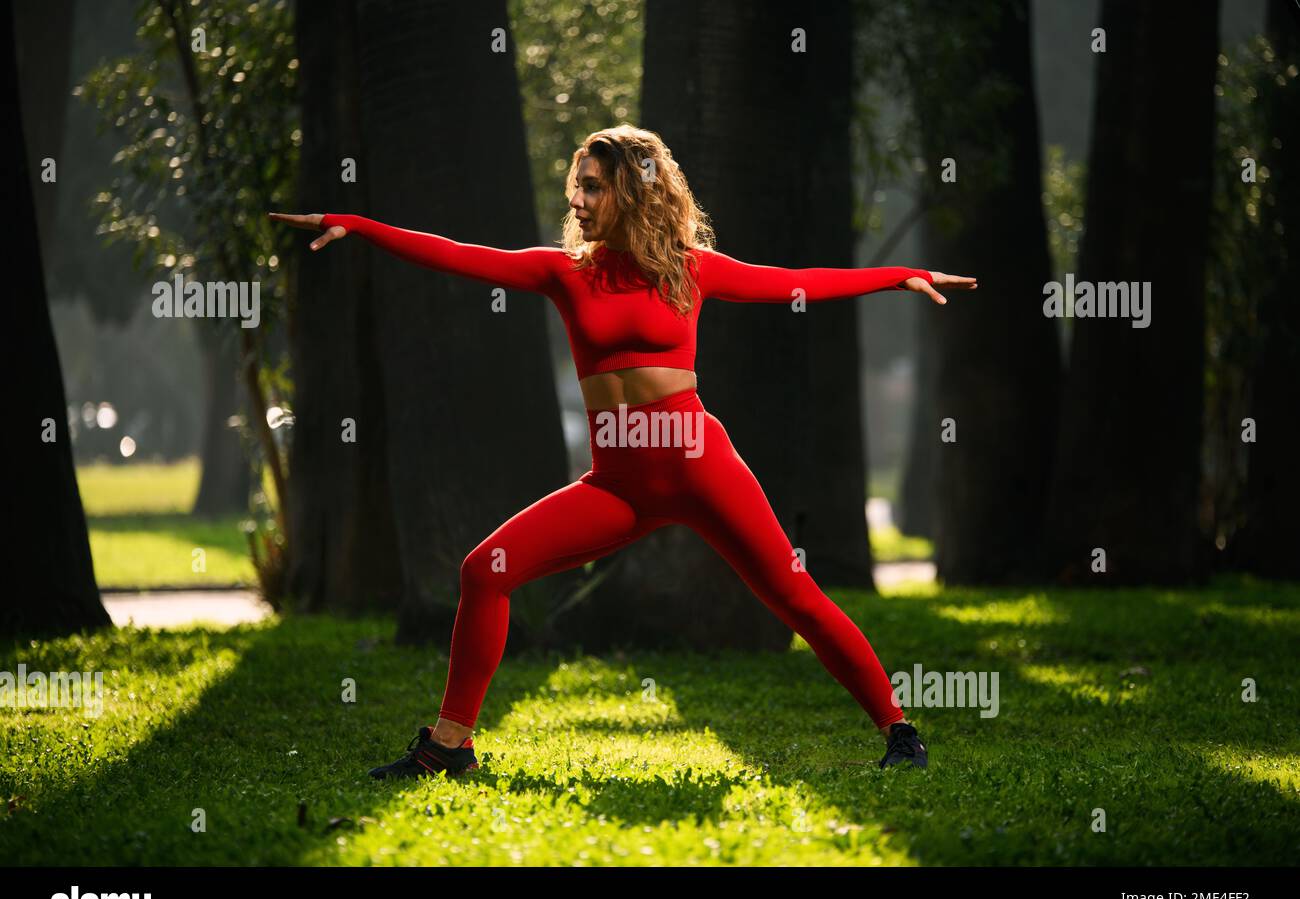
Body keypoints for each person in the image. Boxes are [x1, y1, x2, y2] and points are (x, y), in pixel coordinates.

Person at [270, 125, 975, 777]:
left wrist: (896, 276)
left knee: (794, 597)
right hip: (619, 484)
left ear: (633, 191)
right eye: (575, 186)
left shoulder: (691, 271)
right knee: (485, 570)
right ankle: (450, 747)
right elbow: (461, 257)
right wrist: (358, 227)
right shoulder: (562, 273)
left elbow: (796, 281)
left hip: (699, 464)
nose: (577, 201)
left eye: (594, 187)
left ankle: (899, 731)